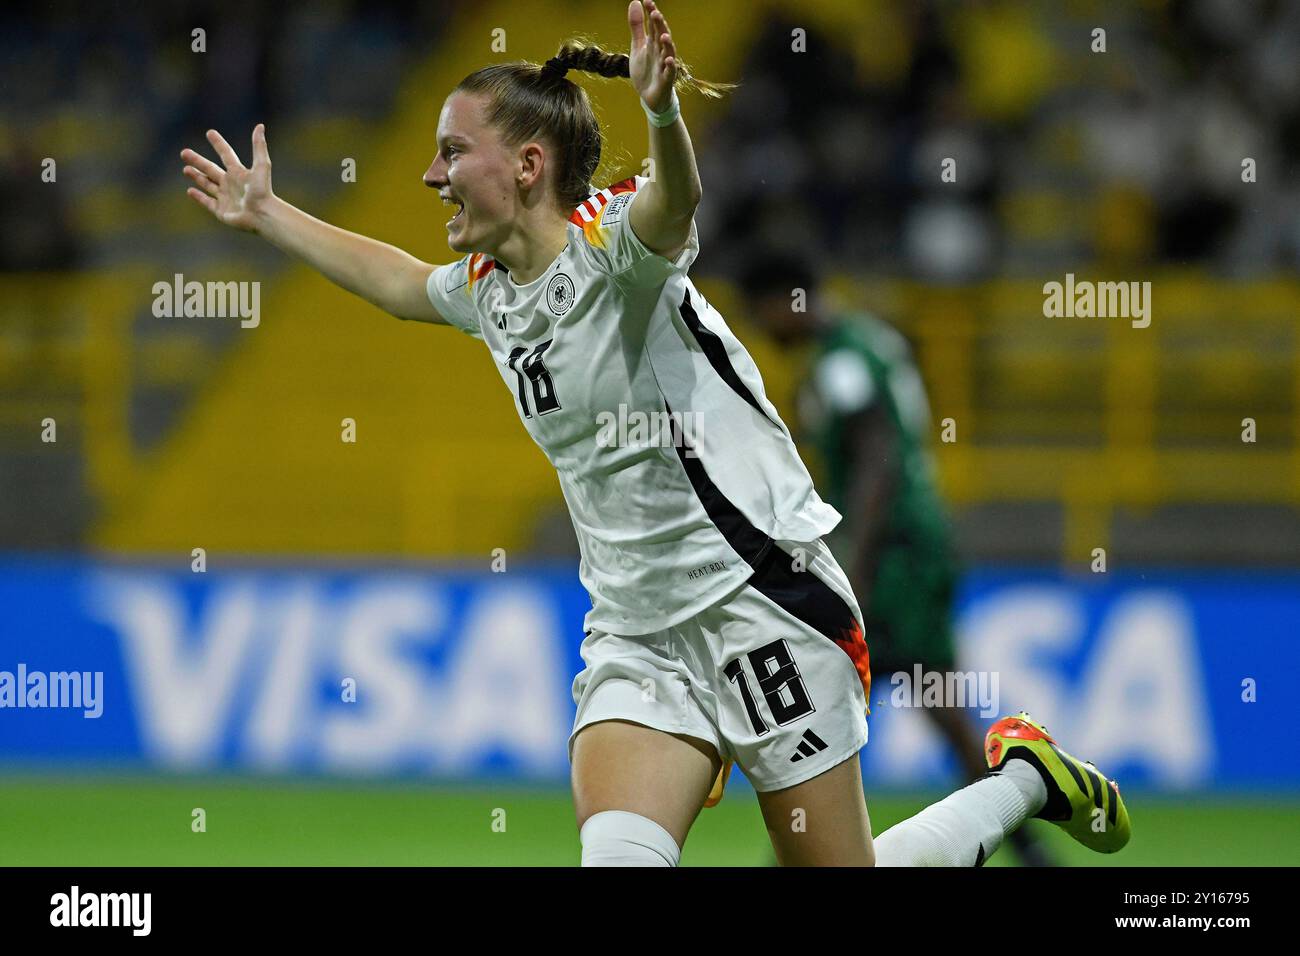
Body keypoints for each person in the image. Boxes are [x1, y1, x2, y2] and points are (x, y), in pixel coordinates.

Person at [180, 0, 1129, 866]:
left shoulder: (614, 254)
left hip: (764, 604)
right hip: (637, 635)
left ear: (526, 164)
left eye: (450, 151)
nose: (431, 174)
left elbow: (672, 205)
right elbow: (392, 281)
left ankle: (1025, 781)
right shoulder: (487, 293)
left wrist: (666, 118)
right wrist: (268, 214)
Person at [740, 253, 1055, 865]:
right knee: (926, 702)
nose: (762, 328)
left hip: (893, 558)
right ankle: (1032, 837)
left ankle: (800, 853)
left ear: (786, 299)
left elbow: (879, 454)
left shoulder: (840, 364)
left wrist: (852, 564)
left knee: (820, 703)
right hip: (914, 546)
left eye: (761, 311)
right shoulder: (867, 342)